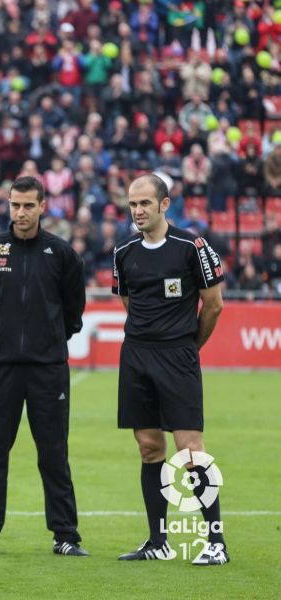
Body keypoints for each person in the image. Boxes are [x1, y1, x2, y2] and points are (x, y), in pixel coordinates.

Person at [0, 176, 88, 557]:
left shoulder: (62, 254)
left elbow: (73, 313)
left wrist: (46, 340)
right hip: (0, 367)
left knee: (53, 452)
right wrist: (4, 337)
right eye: (16, 205)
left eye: (28, 205)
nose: (21, 212)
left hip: (48, 369)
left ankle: (66, 535)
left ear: (42, 206)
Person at [112, 174, 228, 565]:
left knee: (190, 450)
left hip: (178, 356)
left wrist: (189, 346)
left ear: (164, 204)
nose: (138, 211)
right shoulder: (124, 251)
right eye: (132, 204)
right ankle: (158, 542)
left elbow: (213, 305)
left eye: (145, 203)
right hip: (136, 357)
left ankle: (215, 541)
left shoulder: (192, 246)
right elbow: (130, 301)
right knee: (148, 448)